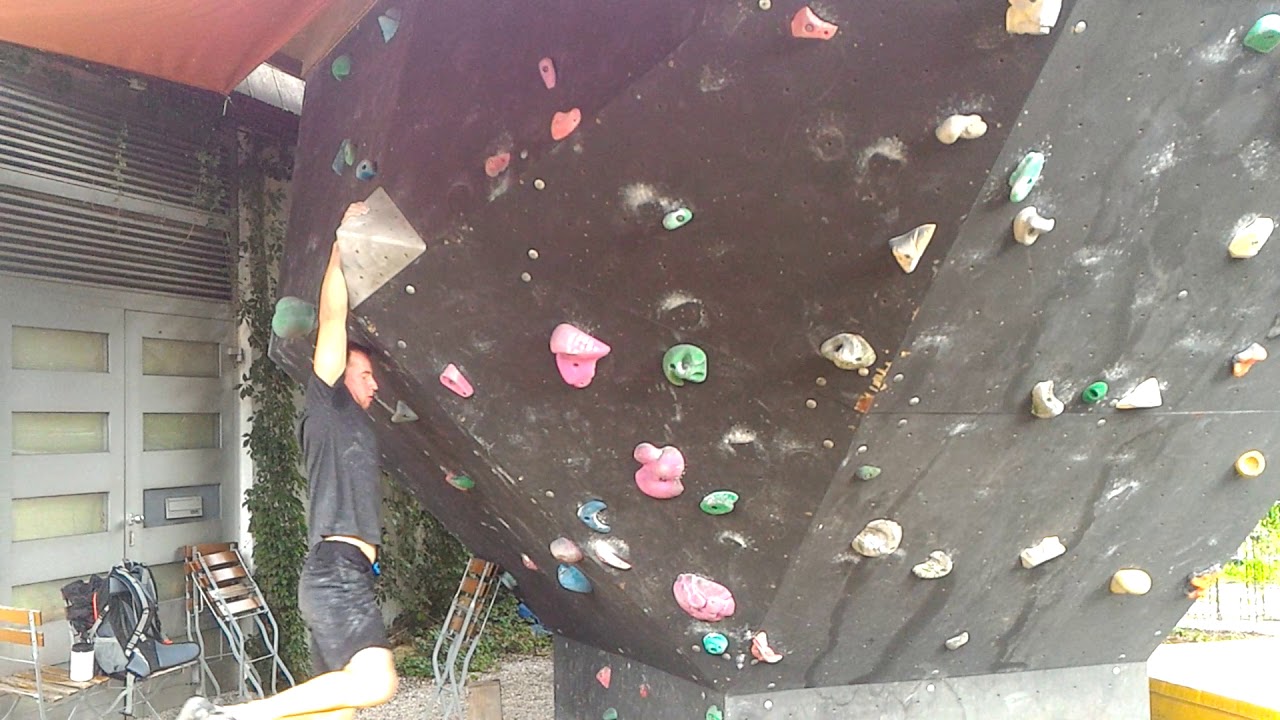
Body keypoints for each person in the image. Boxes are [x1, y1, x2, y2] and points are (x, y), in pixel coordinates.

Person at [179, 202, 398, 720]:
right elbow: (333, 318)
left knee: (338, 710)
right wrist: (342, 245)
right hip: (337, 574)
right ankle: (227, 716)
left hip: (340, 576)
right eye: (365, 373)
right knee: (376, 683)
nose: (374, 383)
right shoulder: (327, 403)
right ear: (341, 369)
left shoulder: (353, 422)